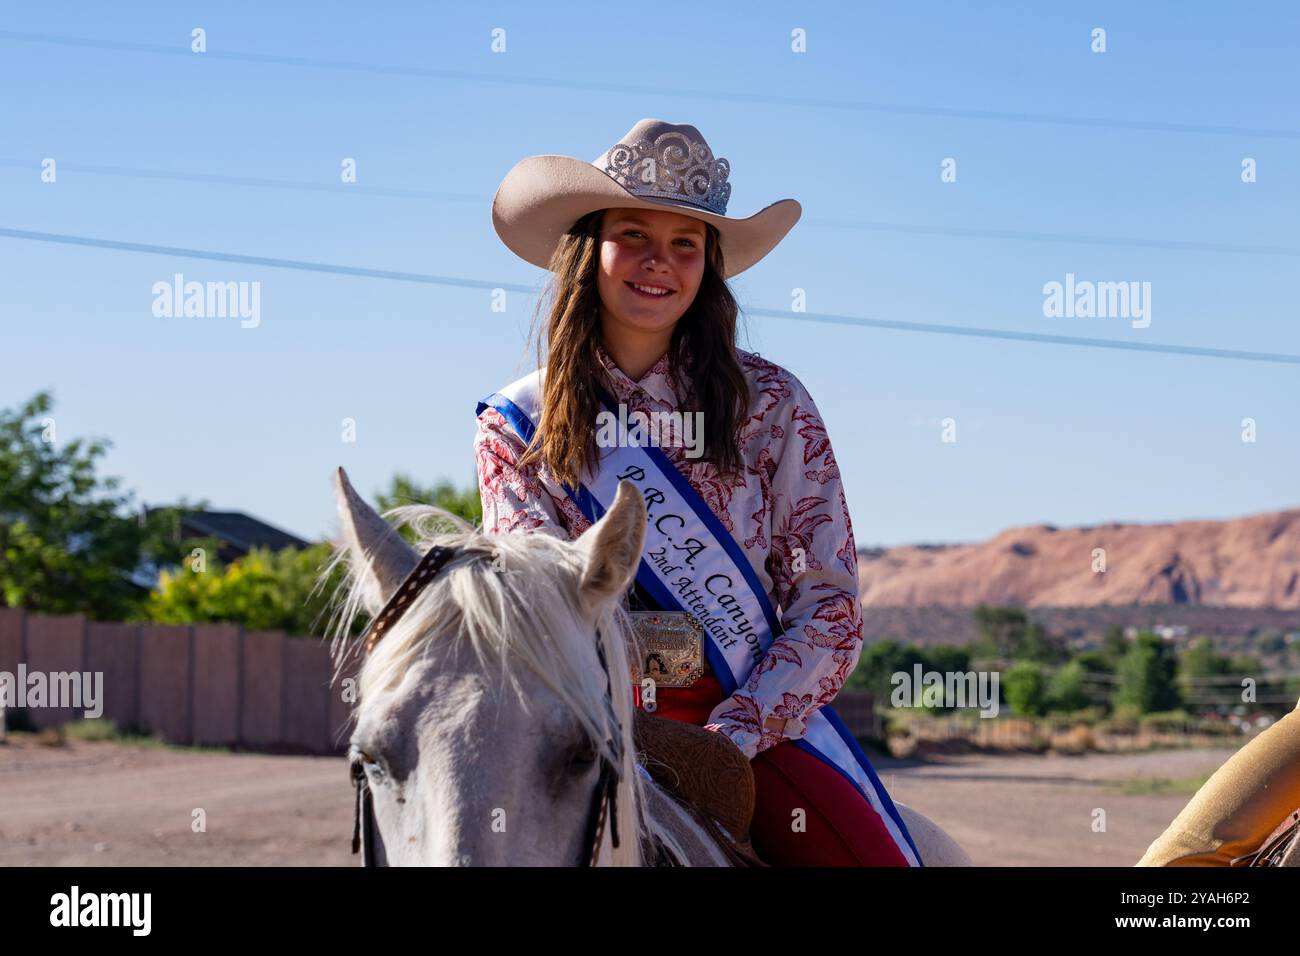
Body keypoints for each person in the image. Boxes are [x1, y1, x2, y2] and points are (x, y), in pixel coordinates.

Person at [473, 118, 920, 866]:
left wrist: (734, 733)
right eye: (634, 235)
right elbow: (529, 608)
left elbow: (830, 608)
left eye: (686, 243)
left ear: (709, 264)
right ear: (588, 248)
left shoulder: (774, 404)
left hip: (751, 731)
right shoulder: (516, 426)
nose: (660, 262)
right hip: (581, 731)